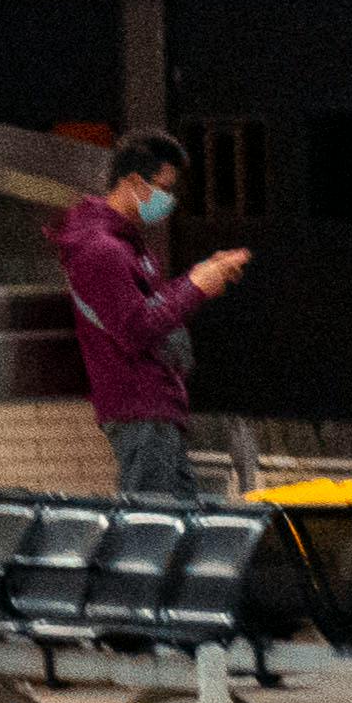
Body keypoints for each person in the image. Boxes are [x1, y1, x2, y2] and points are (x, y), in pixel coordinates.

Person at [60, 129, 242, 497]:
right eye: (163, 187)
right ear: (132, 182)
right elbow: (136, 328)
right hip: (139, 406)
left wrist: (197, 278)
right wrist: (195, 287)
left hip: (157, 404)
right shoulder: (103, 249)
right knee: (150, 530)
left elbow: (151, 306)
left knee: (178, 527)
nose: (168, 199)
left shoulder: (127, 242)